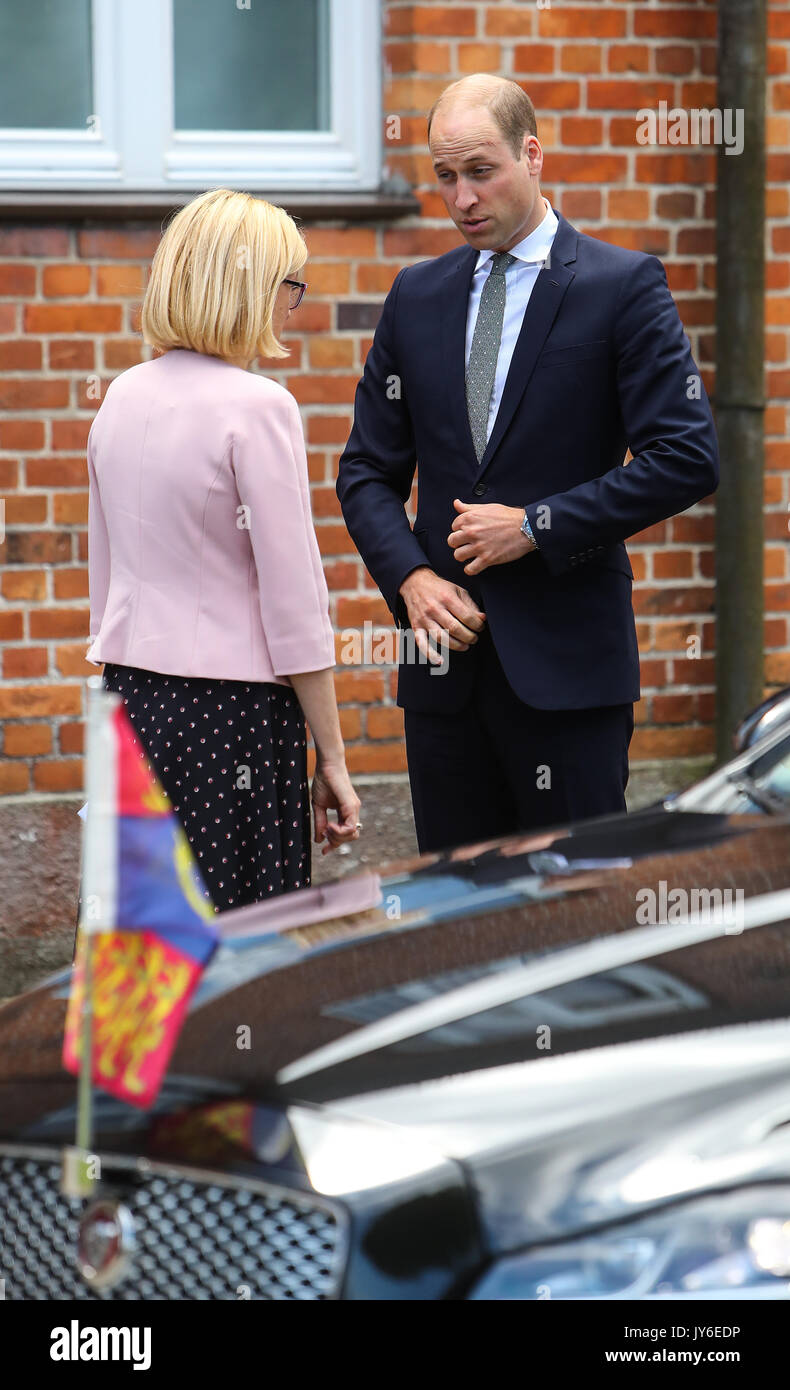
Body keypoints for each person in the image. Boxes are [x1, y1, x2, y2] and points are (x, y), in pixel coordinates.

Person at [337, 74, 719, 855]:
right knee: (457, 923)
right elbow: (367, 471)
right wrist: (409, 578)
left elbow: (686, 456)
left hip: (570, 670)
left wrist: (536, 527)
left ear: (533, 154)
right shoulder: (416, 296)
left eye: (481, 171)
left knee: (573, 915)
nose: (462, 197)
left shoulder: (621, 286)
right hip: (445, 675)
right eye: (445, 177)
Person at [86, 188, 361, 912]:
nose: (291, 304)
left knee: (143, 936)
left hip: (132, 701)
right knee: (238, 935)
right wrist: (331, 754)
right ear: (247, 286)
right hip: (228, 718)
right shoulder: (259, 407)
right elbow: (294, 602)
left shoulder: (120, 396)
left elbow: (107, 571)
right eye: (288, 284)